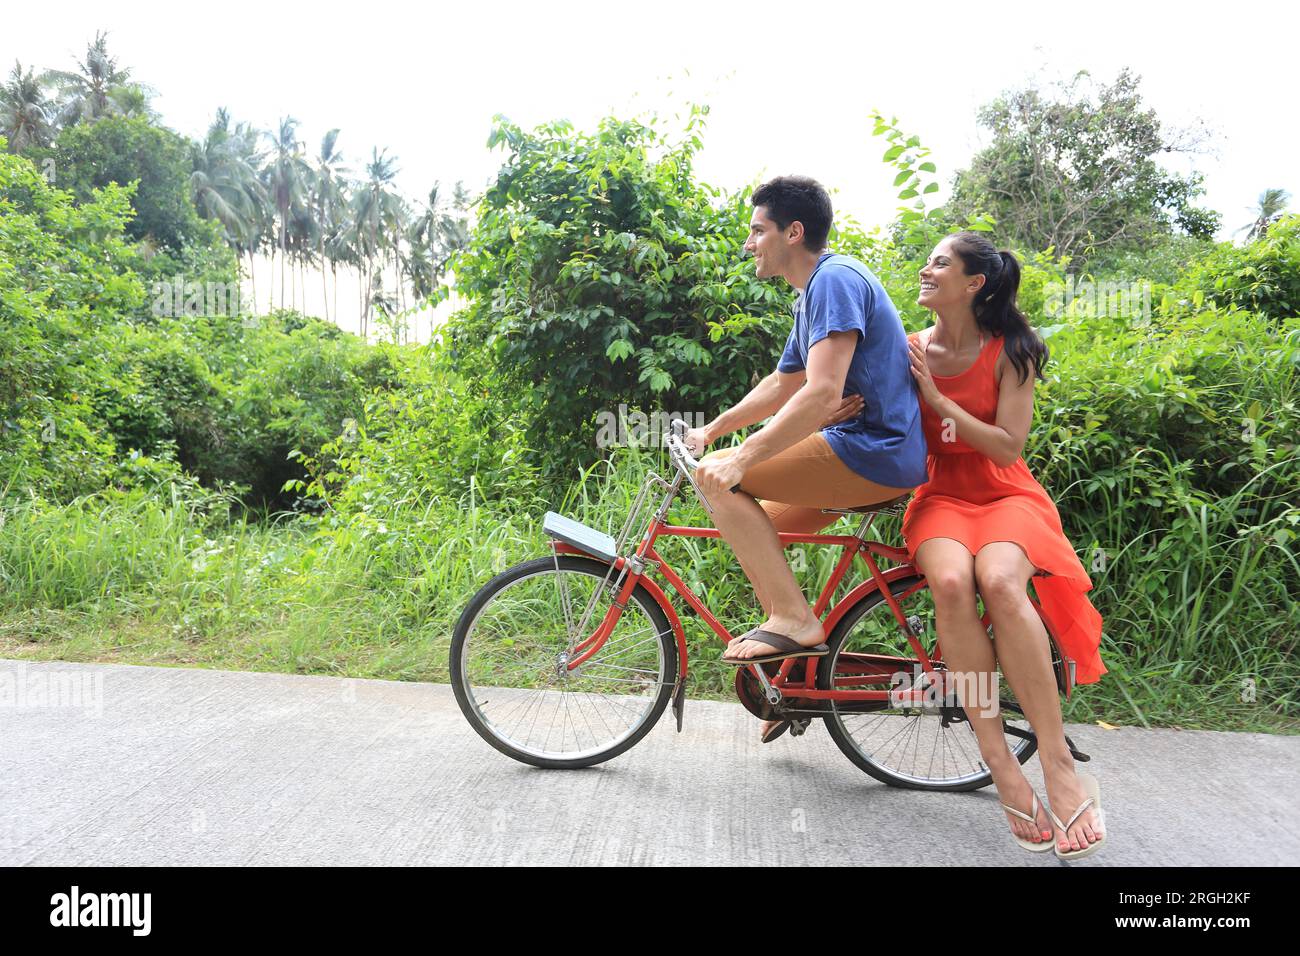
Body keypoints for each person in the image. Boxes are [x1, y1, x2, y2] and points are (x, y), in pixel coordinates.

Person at [682, 175, 928, 734]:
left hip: (873, 453)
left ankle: (794, 622)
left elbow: (821, 393)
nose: (748, 243)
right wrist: (714, 431)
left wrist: (739, 459)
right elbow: (784, 383)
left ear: (793, 232)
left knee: (718, 485)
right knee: (757, 532)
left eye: (756, 230)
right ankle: (804, 678)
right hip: (860, 451)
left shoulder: (834, 280)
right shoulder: (814, 293)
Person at [904, 230, 1107, 858]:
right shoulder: (907, 348)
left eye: (941, 263)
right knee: (952, 581)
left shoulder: (1014, 350)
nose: (926, 269)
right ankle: (1001, 764)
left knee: (998, 581)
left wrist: (938, 400)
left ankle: (1057, 764)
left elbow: (1006, 446)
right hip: (939, 495)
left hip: (1005, 494)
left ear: (974, 284)